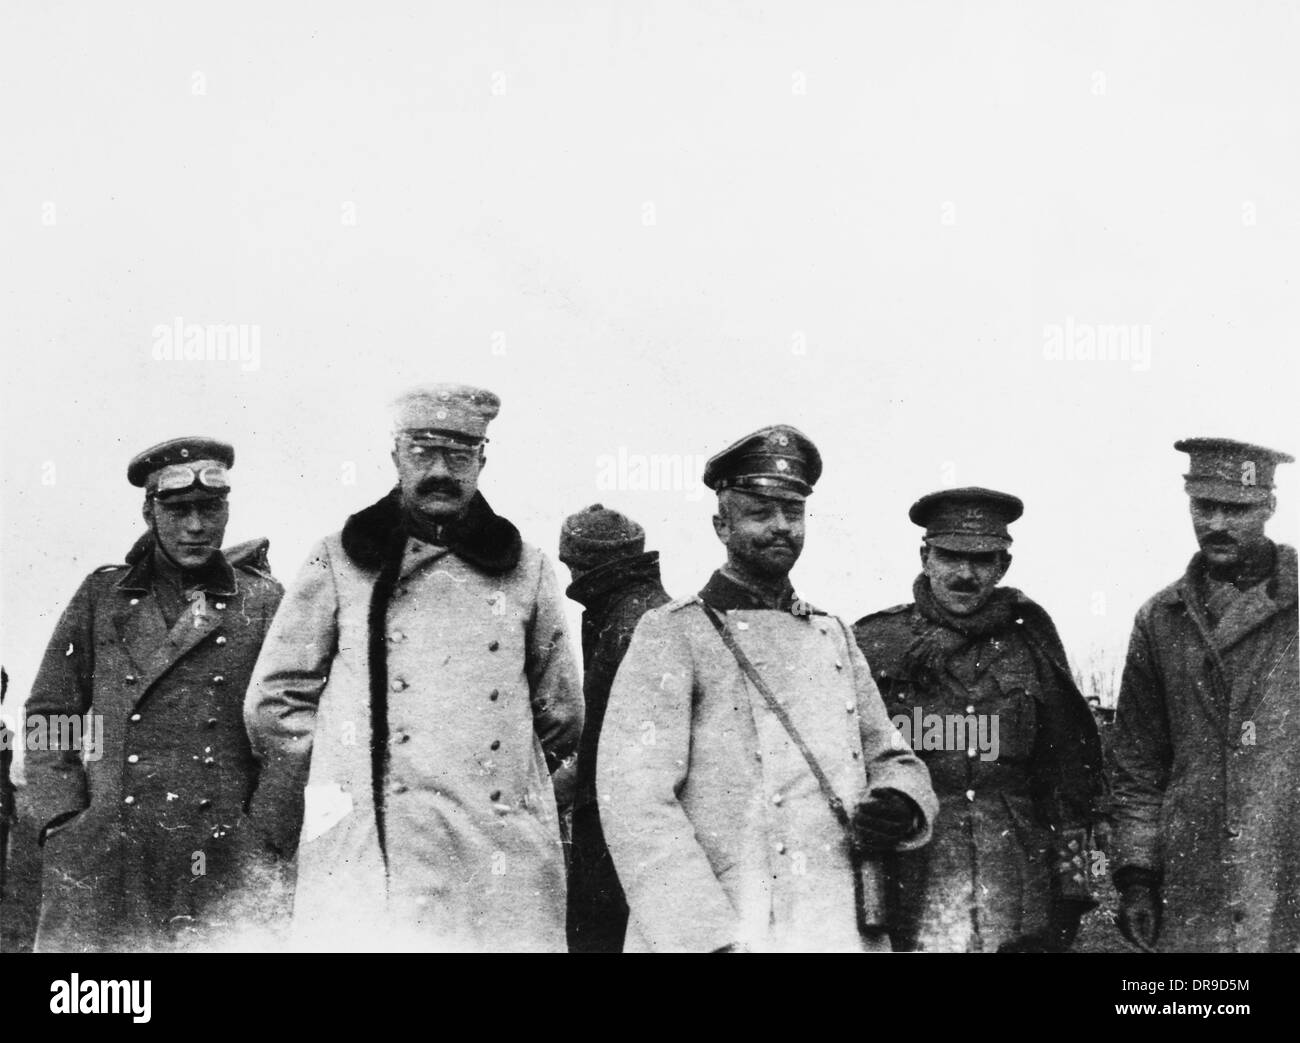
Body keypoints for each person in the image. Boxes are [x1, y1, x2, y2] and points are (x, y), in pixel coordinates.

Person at [245, 384, 583, 951]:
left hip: (497, 845)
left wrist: (504, 783)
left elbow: (562, 712)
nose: (440, 471)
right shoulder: (340, 558)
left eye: (459, 454)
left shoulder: (527, 568)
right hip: (372, 843)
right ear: (395, 455)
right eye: (423, 452)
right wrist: (342, 775)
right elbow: (276, 701)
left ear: (482, 459)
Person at [598, 424, 936, 952]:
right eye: (760, 513)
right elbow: (636, 801)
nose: (781, 527)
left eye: (793, 513)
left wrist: (899, 801)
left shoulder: (833, 634)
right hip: (728, 925)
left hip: (834, 927)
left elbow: (893, 755)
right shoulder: (675, 633)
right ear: (722, 525)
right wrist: (707, 936)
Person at [24, 437, 285, 951]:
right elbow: (53, 711)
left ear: (226, 510)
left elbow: (285, 724)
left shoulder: (262, 600)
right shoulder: (102, 595)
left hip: (222, 848)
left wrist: (267, 829)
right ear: (149, 512)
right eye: (178, 510)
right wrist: (63, 815)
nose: (195, 526)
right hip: (108, 848)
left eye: (210, 509)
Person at [853, 488, 1103, 953]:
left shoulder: (1033, 645)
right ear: (925, 556)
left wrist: (1073, 892)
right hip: (912, 878)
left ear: (1003, 566)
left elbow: (1069, 783)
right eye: (950, 556)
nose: (965, 574)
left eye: (983, 560)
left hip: (1014, 880)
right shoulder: (873, 643)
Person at [1111, 438, 1298, 953]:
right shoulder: (1160, 619)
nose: (1216, 523)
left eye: (1235, 508)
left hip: (1287, 876)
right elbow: (1138, 766)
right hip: (1195, 883)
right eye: (1203, 506)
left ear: (1268, 507)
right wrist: (1136, 877)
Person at [558, 504, 670, 953]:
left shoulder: (627, 624)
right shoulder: (649, 613)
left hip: (618, 830)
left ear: (583, 564)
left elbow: (612, 749)